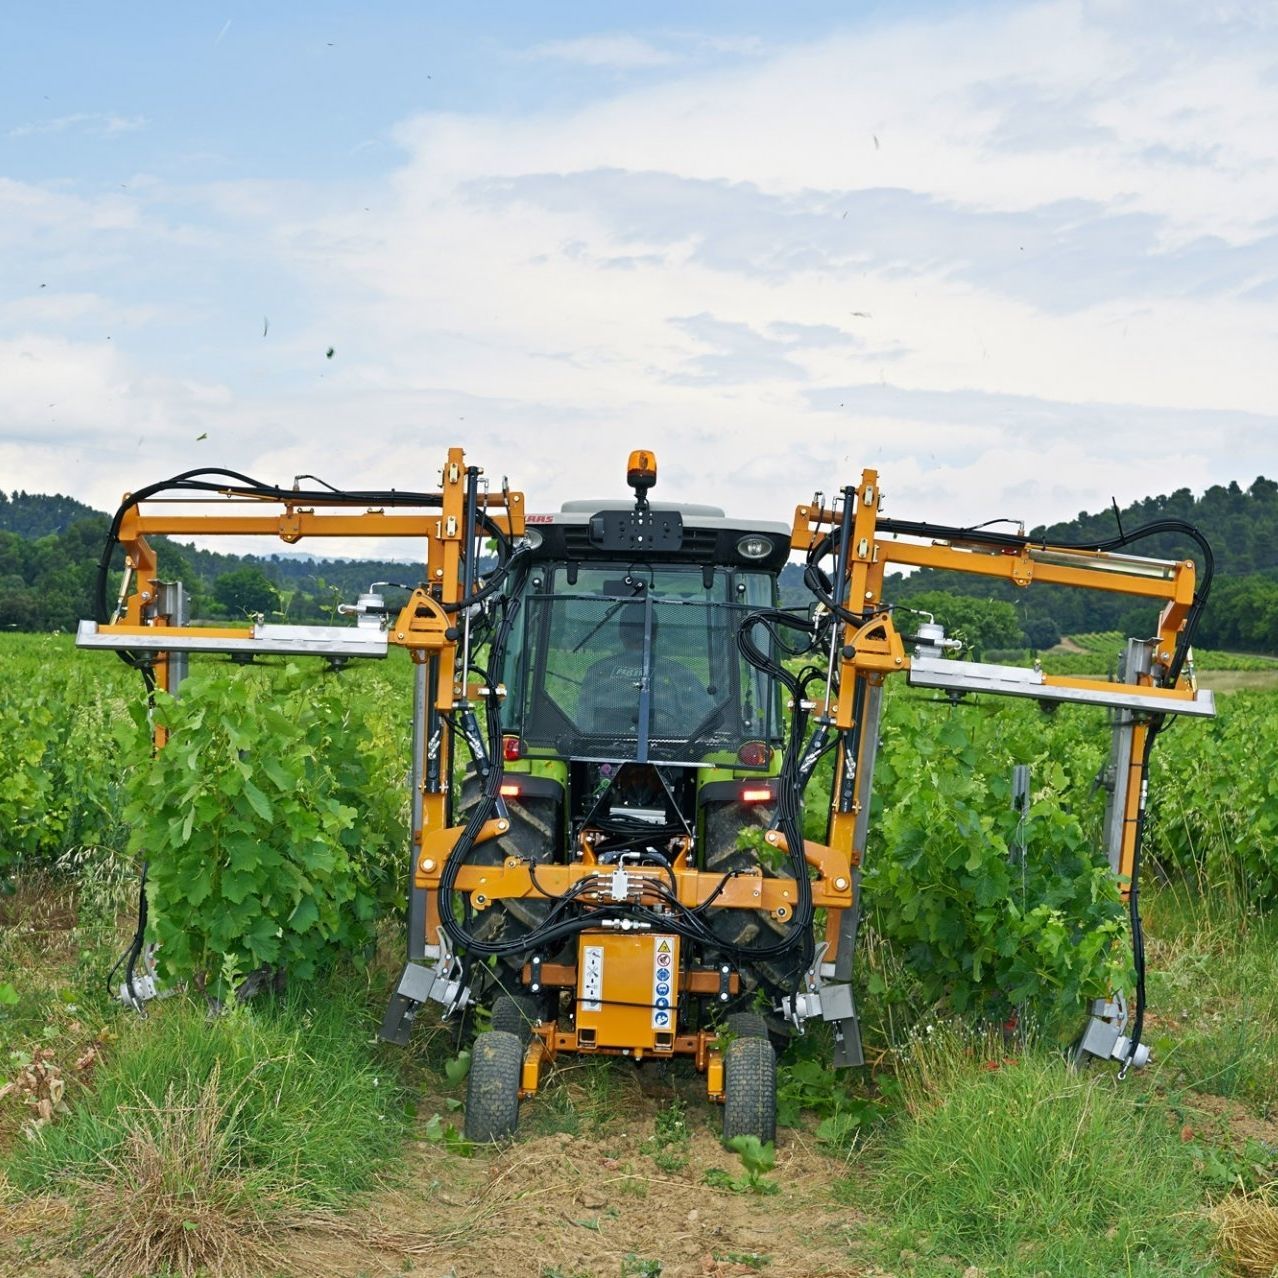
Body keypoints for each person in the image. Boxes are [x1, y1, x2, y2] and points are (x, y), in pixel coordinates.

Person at [576, 602, 713, 737]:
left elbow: (708, 720)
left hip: (671, 749)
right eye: (632, 634)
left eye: (643, 634)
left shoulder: (598, 671)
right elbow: (583, 726)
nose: (639, 640)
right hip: (603, 748)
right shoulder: (678, 673)